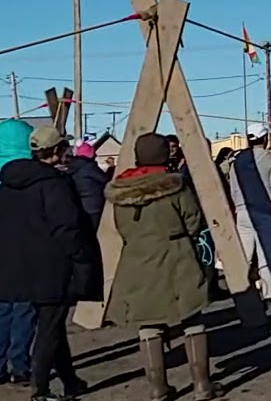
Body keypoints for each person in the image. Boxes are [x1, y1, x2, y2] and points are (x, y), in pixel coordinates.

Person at [105, 133, 219, 400]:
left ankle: (158, 388)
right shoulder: (175, 185)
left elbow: (121, 228)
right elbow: (193, 221)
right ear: (164, 154)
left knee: (148, 323)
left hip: (138, 259)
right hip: (178, 255)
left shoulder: (122, 191)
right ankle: (202, 384)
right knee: (192, 319)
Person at [0, 123, 97, 401]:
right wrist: (82, 257)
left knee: (53, 328)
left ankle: (70, 381)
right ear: (56, 151)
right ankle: (40, 391)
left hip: (18, 266)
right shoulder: (54, 184)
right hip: (52, 267)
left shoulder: (8, 183)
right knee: (49, 329)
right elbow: (67, 227)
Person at [0, 120, 36, 389]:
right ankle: (20, 365)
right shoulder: (34, 177)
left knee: (1, 311)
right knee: (25, 309)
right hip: (27, 251)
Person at [229, 123, 271, 298]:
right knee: (265, 257)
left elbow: (233, 190)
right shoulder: (270, 159)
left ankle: (241, 293)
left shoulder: (237, 161)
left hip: (242, 210)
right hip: (264, 212)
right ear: (265, 138)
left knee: (244, 256)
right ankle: (269, 295)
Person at [63, 141, 109, 229]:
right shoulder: (89, 167)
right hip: (94, 207)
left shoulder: (71, 167)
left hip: (79, 206)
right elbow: (105, 180)